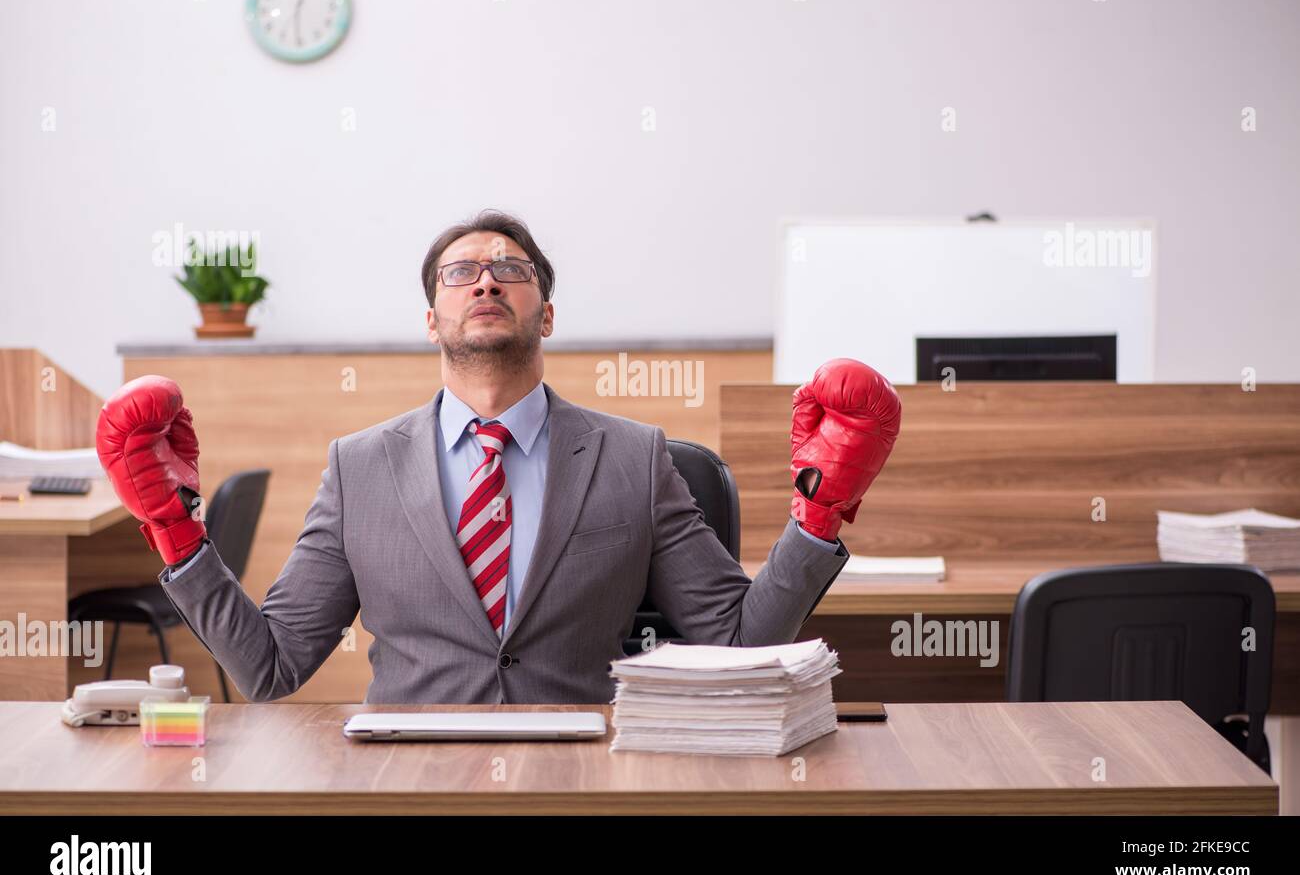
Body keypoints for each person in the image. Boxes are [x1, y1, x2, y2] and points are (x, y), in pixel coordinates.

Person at [95, 210, 901, 704]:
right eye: (460, 272)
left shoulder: (635, 457)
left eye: (509, 269)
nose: (485, 280)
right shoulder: (358, 466)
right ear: (431, 318)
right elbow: (271, 667)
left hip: (586, 773)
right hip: (410, 778)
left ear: (545, 314)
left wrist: (818, 513)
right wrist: (175, 530)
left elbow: (736, 644)